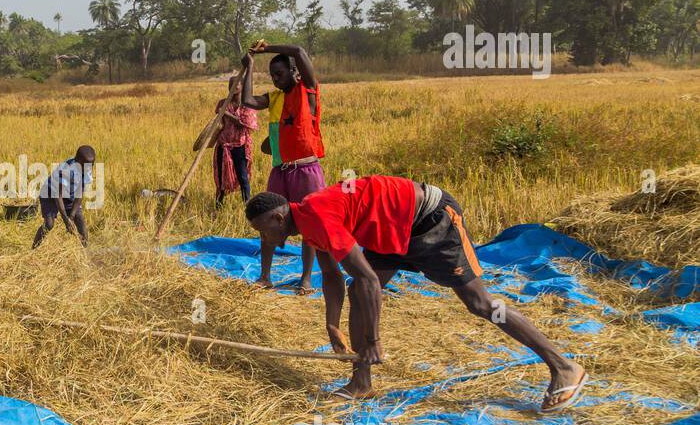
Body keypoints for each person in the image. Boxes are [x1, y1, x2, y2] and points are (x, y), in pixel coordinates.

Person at [244, 176, 587, 411]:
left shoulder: (315, 215)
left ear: (278, 217)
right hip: (391, 232)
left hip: (430, 221)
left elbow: (369, 281)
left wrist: (374, 338)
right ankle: (361, 382)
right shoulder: (306, 221)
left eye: (262, 231)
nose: (264, 240)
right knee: (355, 291)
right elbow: (333, 277)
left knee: (480, 304)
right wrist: (332, 325)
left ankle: (564, 367)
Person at [239, 42, 326, 291]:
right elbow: (246, 100)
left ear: (295, 72)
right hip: (280, 169)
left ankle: (306, 278)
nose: (276, 80)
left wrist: (265, 48)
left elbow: (299, 51)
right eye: (272, 76)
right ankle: (265, 276)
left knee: (310, 222)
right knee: (267, 222)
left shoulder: (307, 91)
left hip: (306, 169)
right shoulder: (275, 98)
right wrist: (249, 68)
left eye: (280, 74)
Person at [204, 74, 258, 205]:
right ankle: (218, 205)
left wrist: (226, 113)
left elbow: (245, 123)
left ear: (241, 86)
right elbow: (218, 121)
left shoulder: (246, 104)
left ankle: (247, 205)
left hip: (240, 145)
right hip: (223, 145)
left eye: (235, 84)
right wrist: (221, 112)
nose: (231, 87)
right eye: (230, 84)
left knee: (243, 177)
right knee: (221, 178)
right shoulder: (223, 103)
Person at [34, 145, 96, 249]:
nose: (89, 169)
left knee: (80, 223)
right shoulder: (66, 170)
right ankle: (34, 249)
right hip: (50, 193)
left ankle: (85, 254)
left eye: (91, 166)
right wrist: (66, 220)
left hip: (68, 194)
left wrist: (71, 217)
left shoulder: (87, 169)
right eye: (86, 166)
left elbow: (79, 193)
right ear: (77, 163)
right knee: (49, 224)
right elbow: (57, 196)